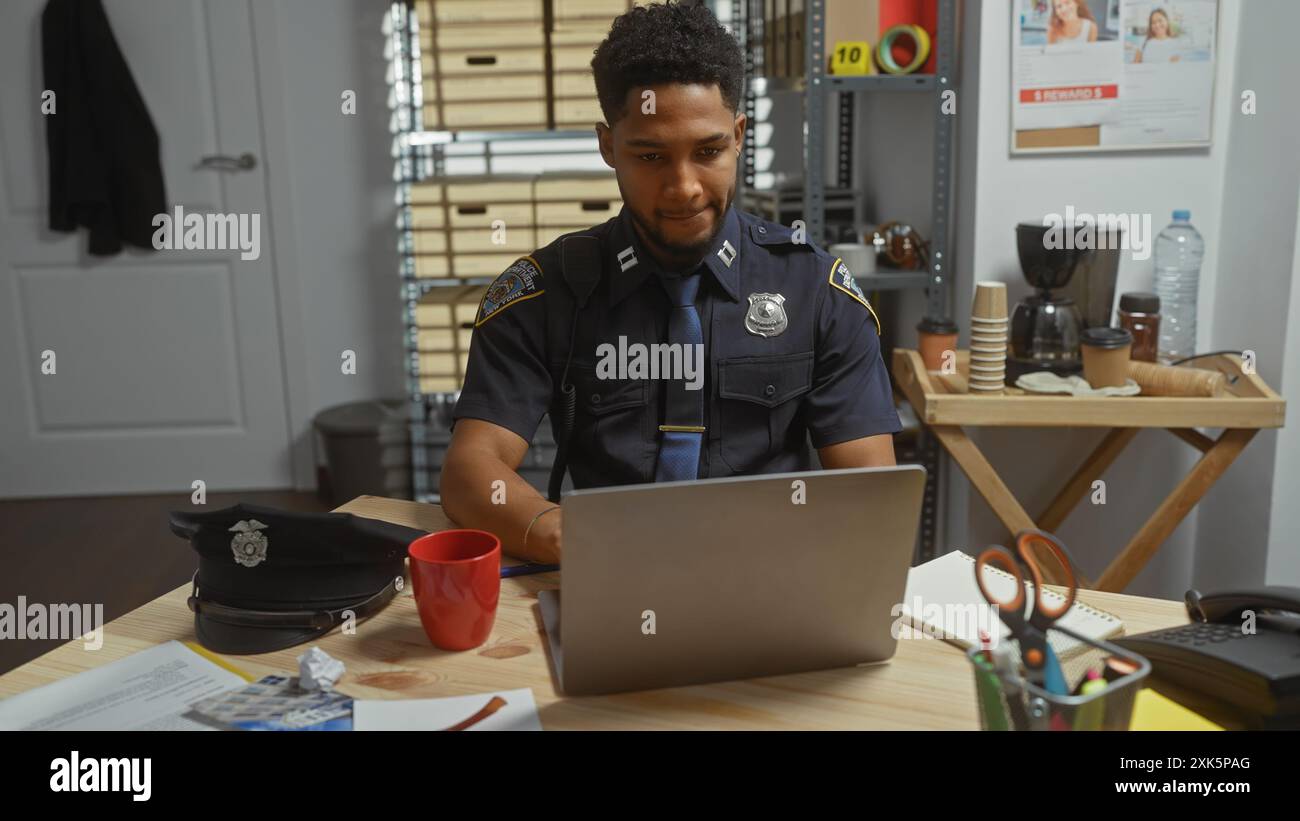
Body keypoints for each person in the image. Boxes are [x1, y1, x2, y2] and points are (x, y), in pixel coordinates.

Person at [440, 1, 902, 563]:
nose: (682, 187)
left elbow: (869, 492)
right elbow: (471, 471)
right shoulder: (544, 293)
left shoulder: (816, 290)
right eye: (651, 155)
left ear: (738, 136)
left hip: (770, 578)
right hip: (602, 569)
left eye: (708, 151)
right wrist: (563, 535)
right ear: (609, 146)